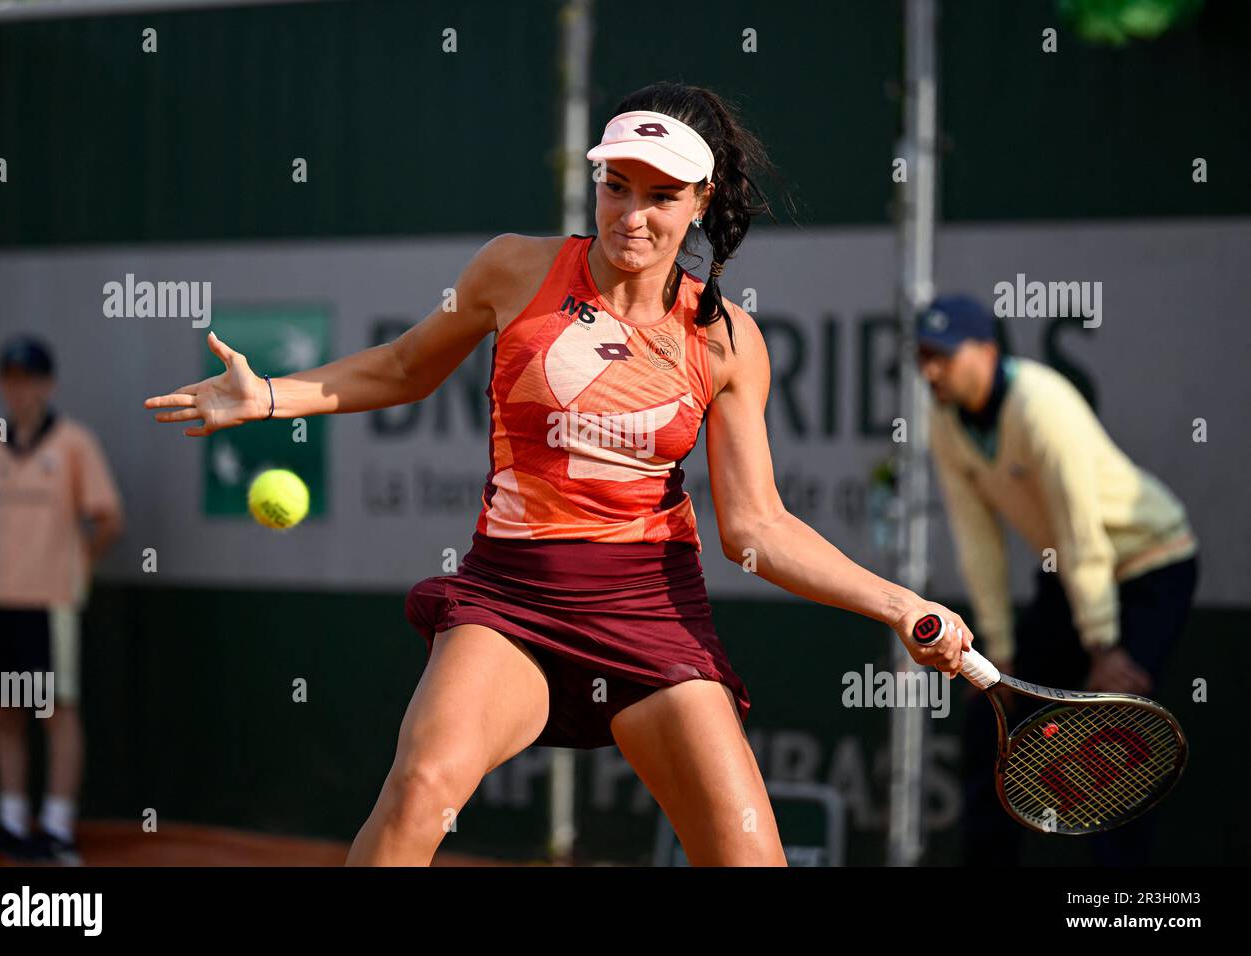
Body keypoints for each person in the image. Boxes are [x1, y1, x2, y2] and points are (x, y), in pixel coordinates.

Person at [146, 82, 975, 867]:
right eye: (617, 187)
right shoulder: (513, 269)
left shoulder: (727, 341)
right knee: (420, 791)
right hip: (512, 599)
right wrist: (269, 396)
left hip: (649, 611)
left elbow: (756, 528)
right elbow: (404, 368)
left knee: (750, 856)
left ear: (701, 202)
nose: (632, 216)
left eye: (661, 196)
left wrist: (900, 605)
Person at [916, 295, 1199, 866]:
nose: (931, 372)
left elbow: (1079, 529)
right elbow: (979, 544)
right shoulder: (944, 424)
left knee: (1114, 742)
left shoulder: (1041, 405)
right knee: (990, 727)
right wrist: (998, 655)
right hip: (1071, 576)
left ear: (987, 352)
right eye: (924, 357)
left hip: (1150, 563)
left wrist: (1103, 646)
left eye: (944, 356)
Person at [0, 335, 125, 864]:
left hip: (51, 600)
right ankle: (12, 822)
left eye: (28, 379)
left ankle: (57, 828)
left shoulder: (75, 443)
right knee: (4, 711)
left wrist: (79, 565)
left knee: (56, 710)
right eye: (9, 379)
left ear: (48, 384)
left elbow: (109, 518)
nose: (18, 389)